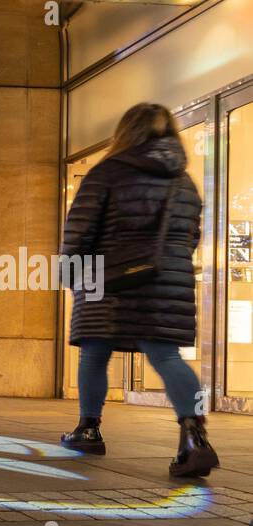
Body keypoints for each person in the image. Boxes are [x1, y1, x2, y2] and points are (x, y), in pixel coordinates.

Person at [59, 102, 217, 478]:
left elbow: (79, 229)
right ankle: (195, 438)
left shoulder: (108, 172)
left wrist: (71, 272)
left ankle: (88, 429)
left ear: (126, 131)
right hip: (166, 278)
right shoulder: (184, 181)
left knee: (94, 354)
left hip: (106, 277)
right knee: (167, 357)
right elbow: (191, 235)